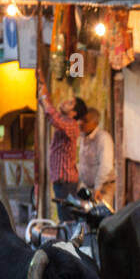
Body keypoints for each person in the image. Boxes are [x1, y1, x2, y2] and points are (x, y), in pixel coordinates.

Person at [37, 72, 86, 202]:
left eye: (70, 103)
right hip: (63, 181)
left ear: (74, 113)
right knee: (66, 217)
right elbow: (48, 107)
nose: (65, 102)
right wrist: (42, 83)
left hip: (66, 183)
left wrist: (43, 95)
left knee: (67, 219)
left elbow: (52, 116)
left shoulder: (71, 125)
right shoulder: (66, 122)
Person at [78, 108, 115, 204]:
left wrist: (97, 187)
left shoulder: (103, 138)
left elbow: (106, 166)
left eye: (85, 121)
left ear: (96, 122)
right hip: (87, 187)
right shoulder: (82, 137)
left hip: (102, 188)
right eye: (80, 119)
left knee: (100, 217)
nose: (81, 123)